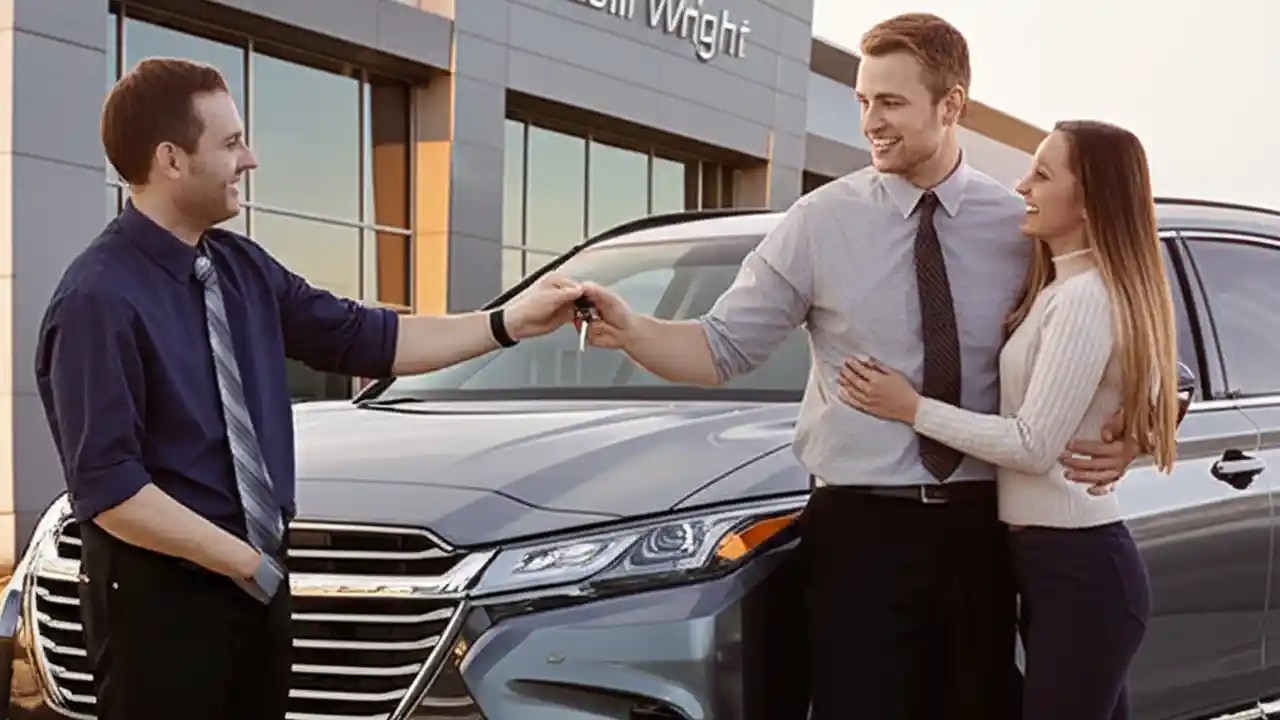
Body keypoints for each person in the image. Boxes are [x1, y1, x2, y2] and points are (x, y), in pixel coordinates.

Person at [575, 13, 1141, 720]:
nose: (871, 121)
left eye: (892, 103)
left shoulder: (1020, 225)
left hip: (982, 533)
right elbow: (722, 348)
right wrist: (634, 330)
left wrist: (1145, 421)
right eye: (863, 102)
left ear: (951, 105)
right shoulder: (819, 222)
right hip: (859, 534)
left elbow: (1118, 323)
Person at [33, 57, 583, 720]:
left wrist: (507, 323)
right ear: (171, 159)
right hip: (162, 600)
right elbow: (112, 490)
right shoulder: (98, 298)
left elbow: (372, 339)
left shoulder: (239, 268)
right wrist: (244, 561)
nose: (251, 159)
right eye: (231, 143)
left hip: (253, 584)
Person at [836, 119, 1176, 720]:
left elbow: (1032, 444)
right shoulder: (1059, 288)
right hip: (1053, 566)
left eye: (1043, 174)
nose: (1023, 186)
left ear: (1092, 200)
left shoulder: (1084, 299)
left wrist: (911, 408)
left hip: (1079, 570)